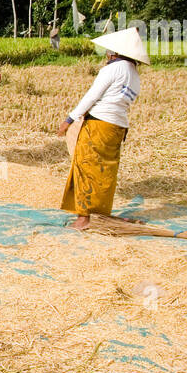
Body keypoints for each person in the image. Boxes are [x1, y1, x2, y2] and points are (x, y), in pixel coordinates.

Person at [56, 27, 149, 230]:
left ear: (116, 52)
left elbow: (92, 96)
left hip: (99, 124)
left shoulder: (113, 69)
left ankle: (84, 218)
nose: (107, 54)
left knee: (86, 168)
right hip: (118, 127)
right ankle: (100, 213)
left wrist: (69, 119)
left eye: (109, 51)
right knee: (105, 171)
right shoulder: (134, 74)